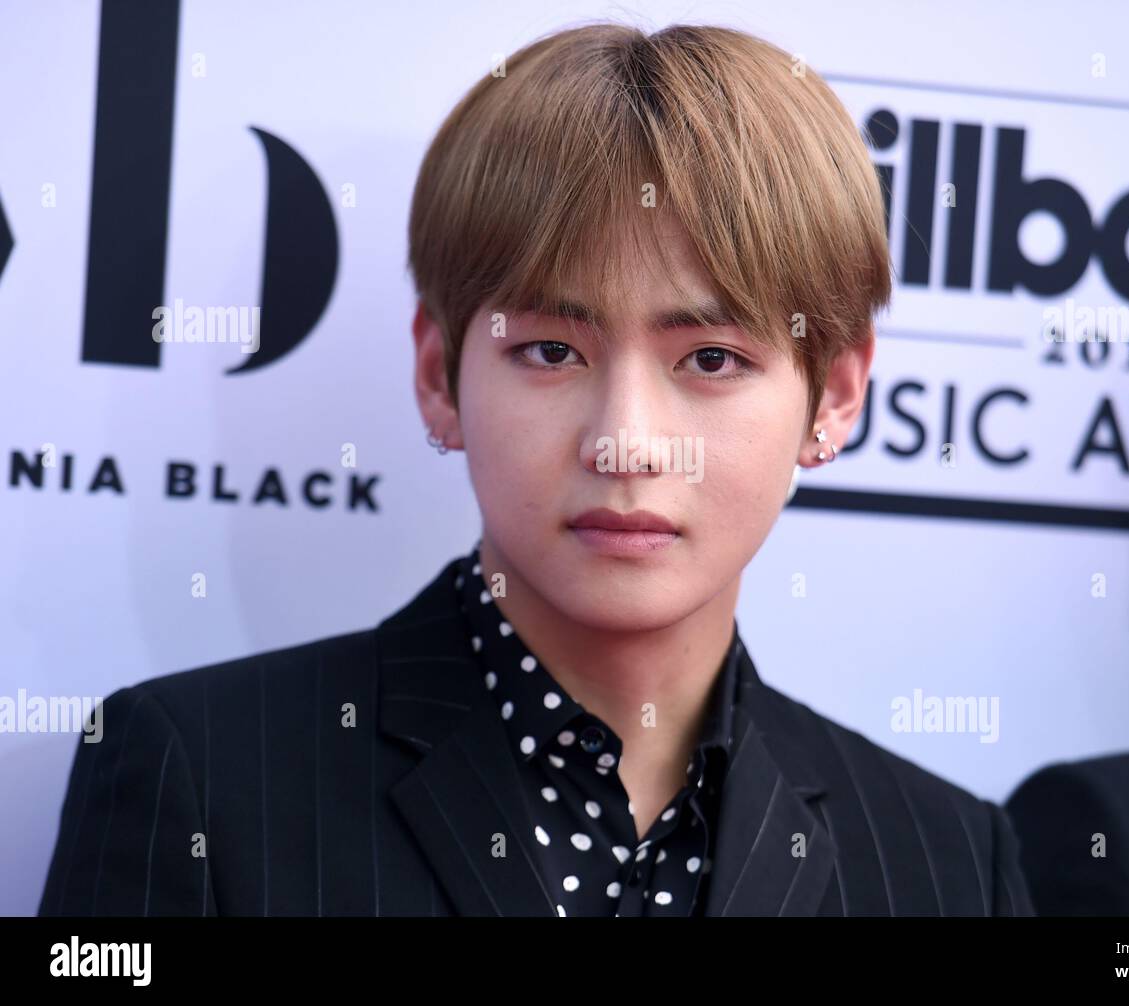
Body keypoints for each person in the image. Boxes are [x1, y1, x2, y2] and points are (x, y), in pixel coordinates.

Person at [39, 21, 1033, 917]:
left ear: (838, 395)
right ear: (440, 373)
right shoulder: (203, 775)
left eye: (711, 359)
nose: (628, 442)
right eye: (553, 351)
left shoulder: (948, 858)